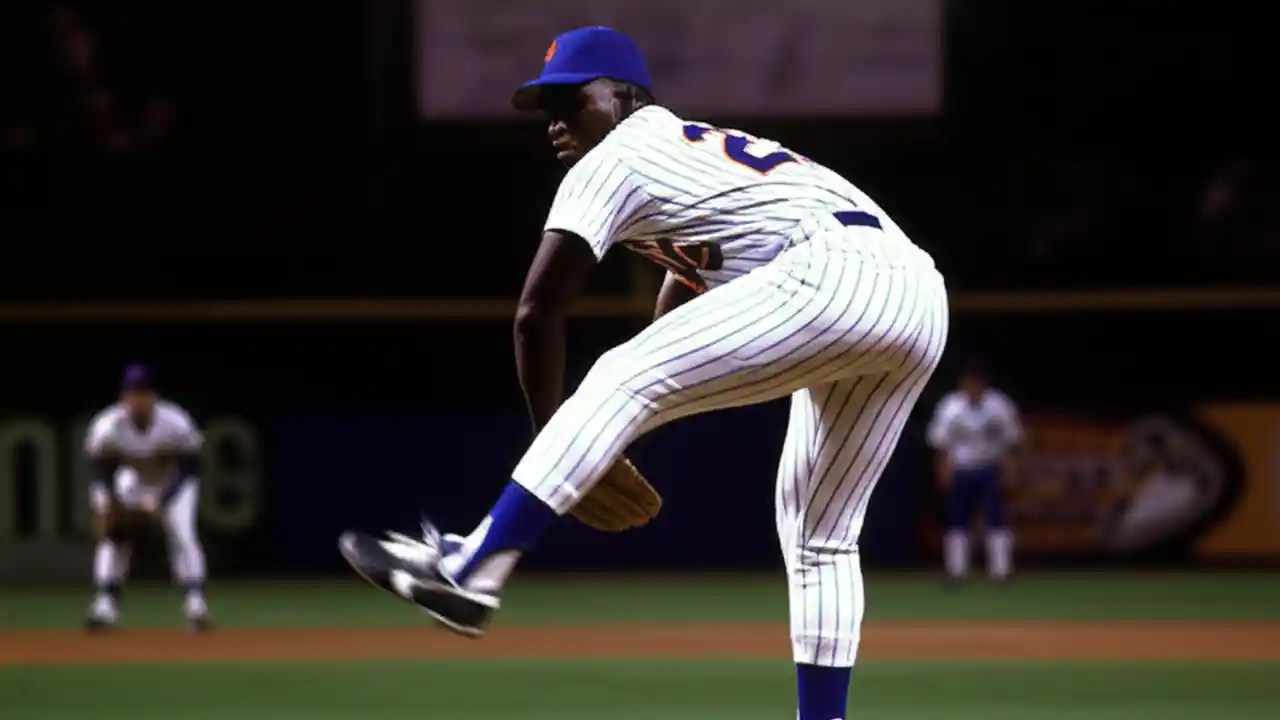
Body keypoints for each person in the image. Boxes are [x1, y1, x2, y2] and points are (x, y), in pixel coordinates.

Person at [339, 26, 948, 720]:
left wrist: (564, 437)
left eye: (572, 100)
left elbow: (538, 314)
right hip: (916, 298)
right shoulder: (692, 156)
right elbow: (682, 318)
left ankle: (473, 566)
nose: (557, 122)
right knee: (821, 536)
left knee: (617, 370)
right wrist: (598, 440)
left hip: (833, 274)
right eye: (547, 109)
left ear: (625, 98)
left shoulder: (617, 156)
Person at [84, 363, 211, 632]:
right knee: (113, 539)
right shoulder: (108, 426)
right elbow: (101, 467)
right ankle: (105, 605)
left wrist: (162, 500)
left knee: (183, 533)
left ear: (155, 397)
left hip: (172, 482)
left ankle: (195, 603)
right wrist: (112, 502)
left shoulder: (176, 422)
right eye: (134, 393)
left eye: (144, 393)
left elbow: (190, 466)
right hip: (130, 480)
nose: (139, 400)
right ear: (124, 398)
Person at [926, 356, 1022, 584]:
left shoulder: (998, 405)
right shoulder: (950, 406)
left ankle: (1001, 571)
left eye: (977, 382)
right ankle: (956, 571)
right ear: (962, 383)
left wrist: (1010, 470)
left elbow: (1011, 442)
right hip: (961, 469)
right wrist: (943, 471)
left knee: (996, 518)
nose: (973, 387)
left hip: (989, 468)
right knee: (956, 519)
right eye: (969, 382)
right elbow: (941, 445)